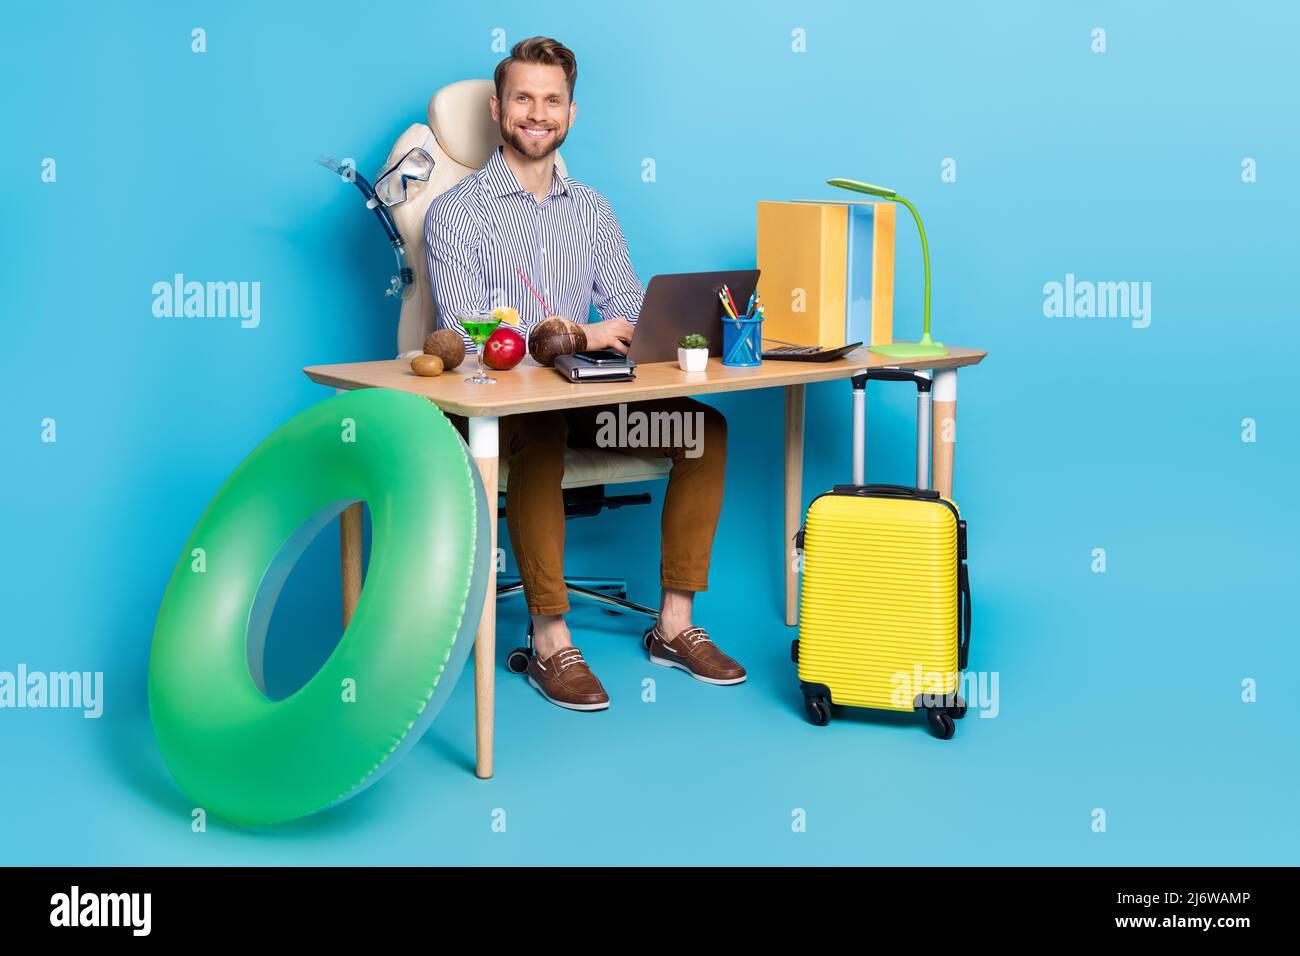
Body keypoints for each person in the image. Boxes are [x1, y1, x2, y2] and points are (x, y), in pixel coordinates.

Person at [425, 36, 746, 711]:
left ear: (571, 113)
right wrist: (575, 333)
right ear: (497, 107)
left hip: (587, 400)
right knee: (539, 437)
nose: (537, 113)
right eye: (524, 99)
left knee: (702, 430)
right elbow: (464, 331)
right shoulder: (457, 211)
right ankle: (550, 639)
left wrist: (670, 324)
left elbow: (628, 304)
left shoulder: (592, 209)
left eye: (552, 100)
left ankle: (674, 627)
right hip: (500, 411)